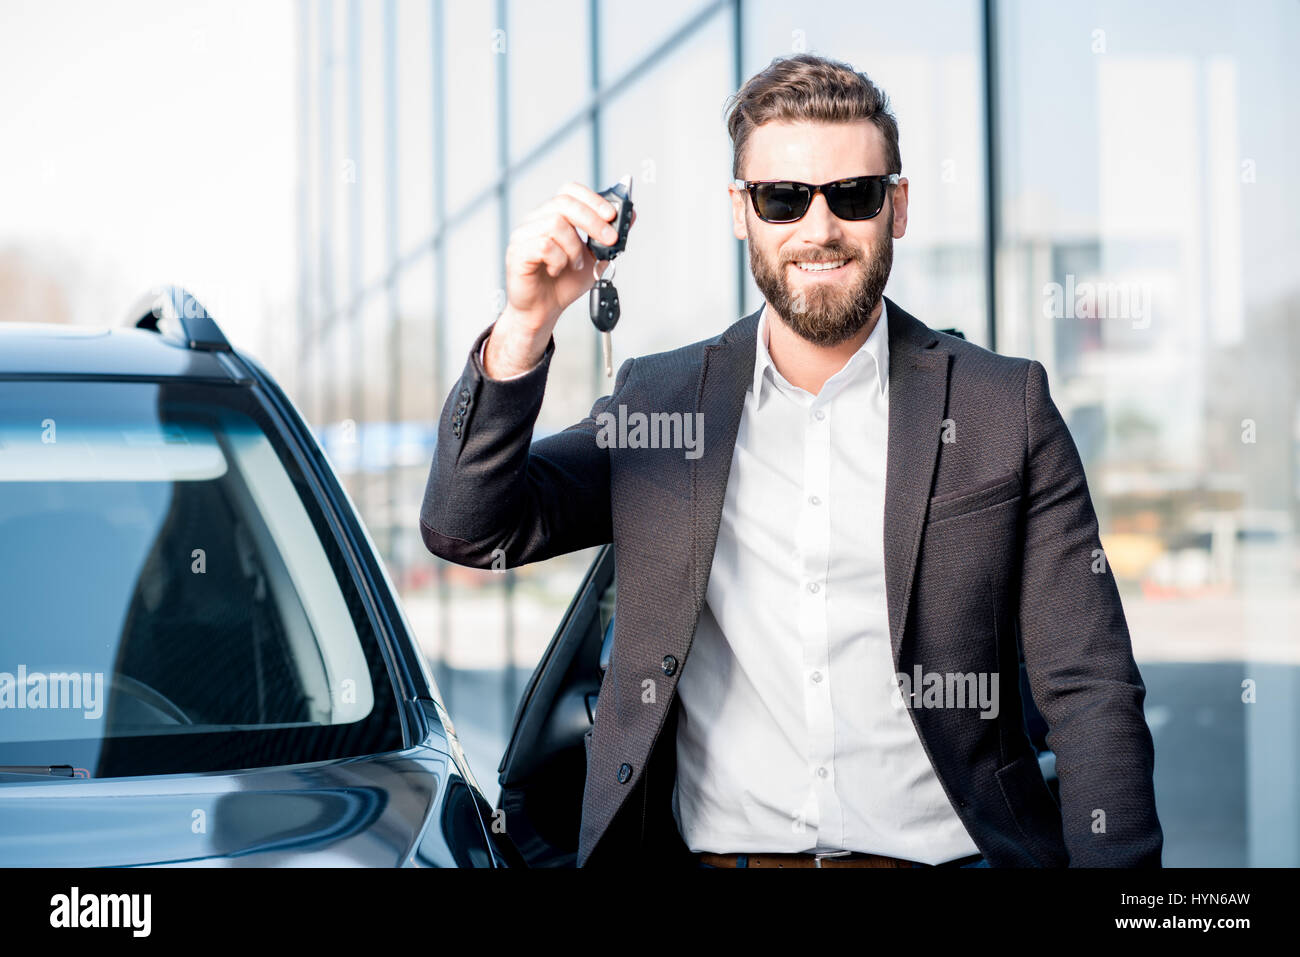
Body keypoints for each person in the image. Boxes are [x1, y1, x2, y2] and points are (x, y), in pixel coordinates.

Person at [419, 53, 1162, 868]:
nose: (819, 230)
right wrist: (524, 327)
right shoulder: (661, 405)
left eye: (854, 195)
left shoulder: (1000, 408)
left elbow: (1091, 692)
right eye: (783, 199)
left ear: (897, 206)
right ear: (742, 213)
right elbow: (467, 527)